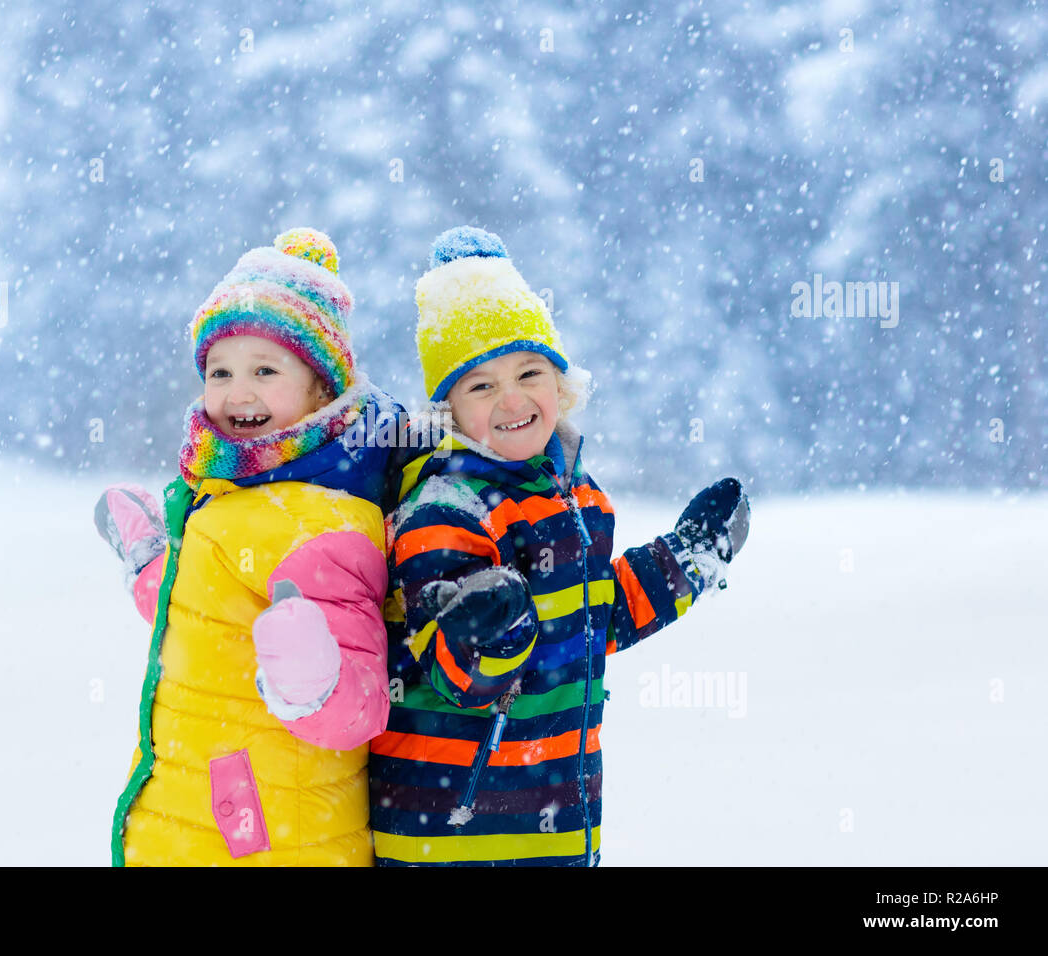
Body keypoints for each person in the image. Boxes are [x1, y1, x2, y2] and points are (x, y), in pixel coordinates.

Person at [369, 226, 751, 866]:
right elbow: (453, 674)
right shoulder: (447, 507)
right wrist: (489, 630)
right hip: (453, 831)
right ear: (449, 408)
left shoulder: (578, 498)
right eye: (481, 385)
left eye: (529, 372)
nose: (512, 399)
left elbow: (596, 618)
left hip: (556, 822)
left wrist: (686, 560)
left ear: (559, 382)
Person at [94, 228, 400, 865]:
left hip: (270, 838)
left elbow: (362, 706)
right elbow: (215, 612)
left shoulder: (325, 520)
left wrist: (313, 680)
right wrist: (156, 563)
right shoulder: (226, 493)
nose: (237, 392)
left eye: (266, 370)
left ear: (322, 388)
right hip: (190, 819)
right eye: (220, 371)